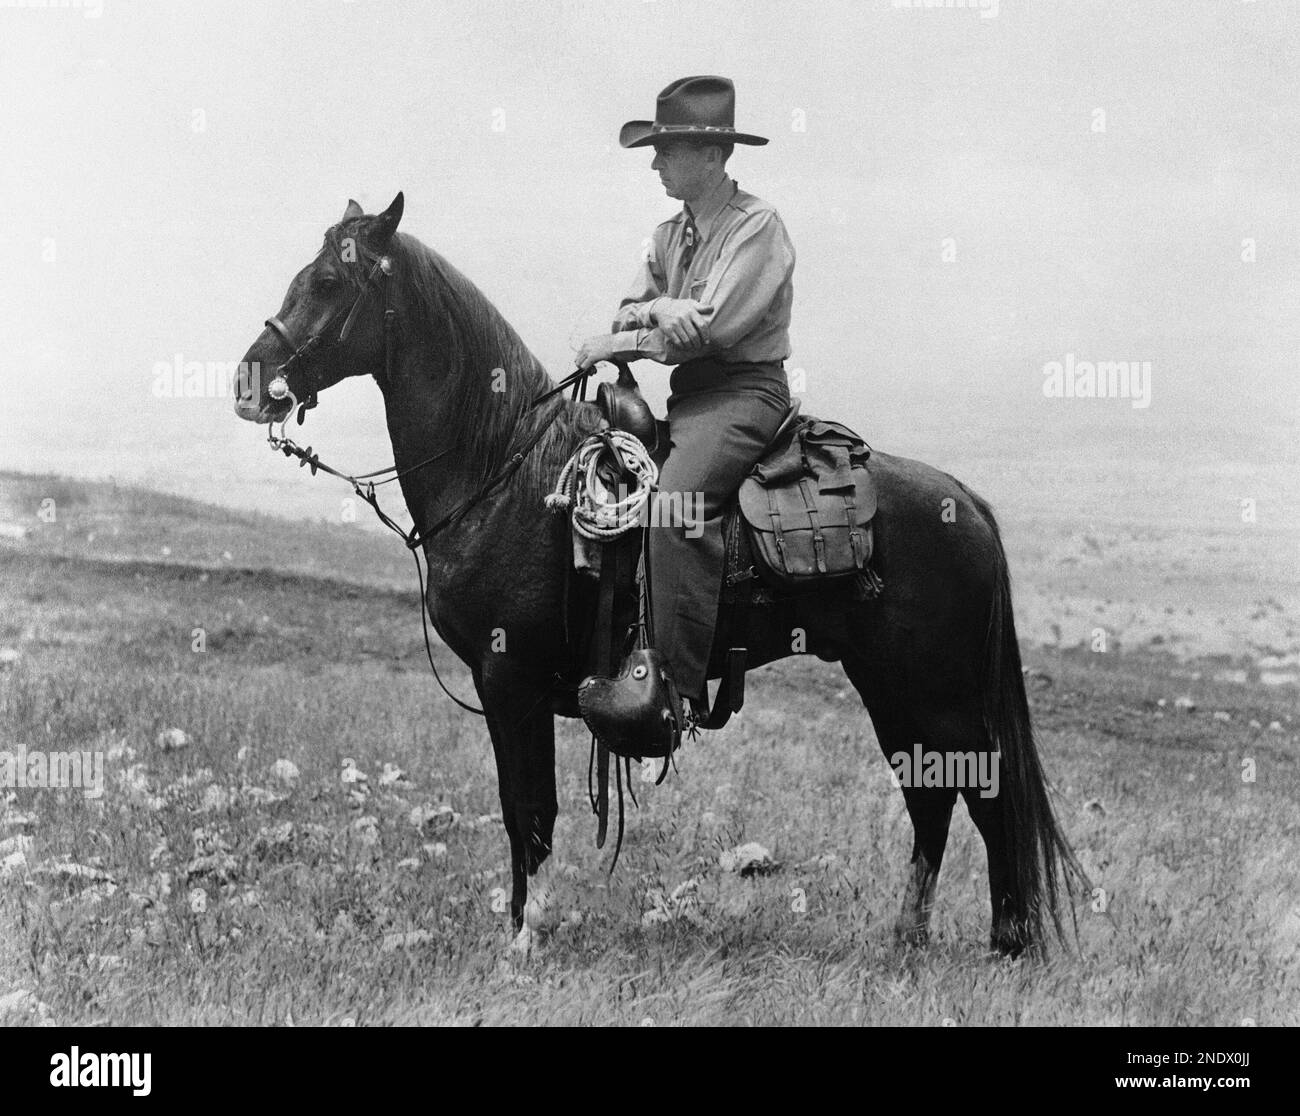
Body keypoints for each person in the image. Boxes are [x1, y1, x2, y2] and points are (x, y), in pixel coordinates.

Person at [575, 75, 795, 729]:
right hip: (693, 396)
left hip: (744, 394)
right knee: (594, 475)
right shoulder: (667, 236)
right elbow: (628, 311)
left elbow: (712, 328)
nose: (654, 162)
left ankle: (671, 693)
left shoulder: (758, 227)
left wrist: (653, 320)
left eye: (666, 149)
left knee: (675, 506)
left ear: (711, 155)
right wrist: (653, 314)